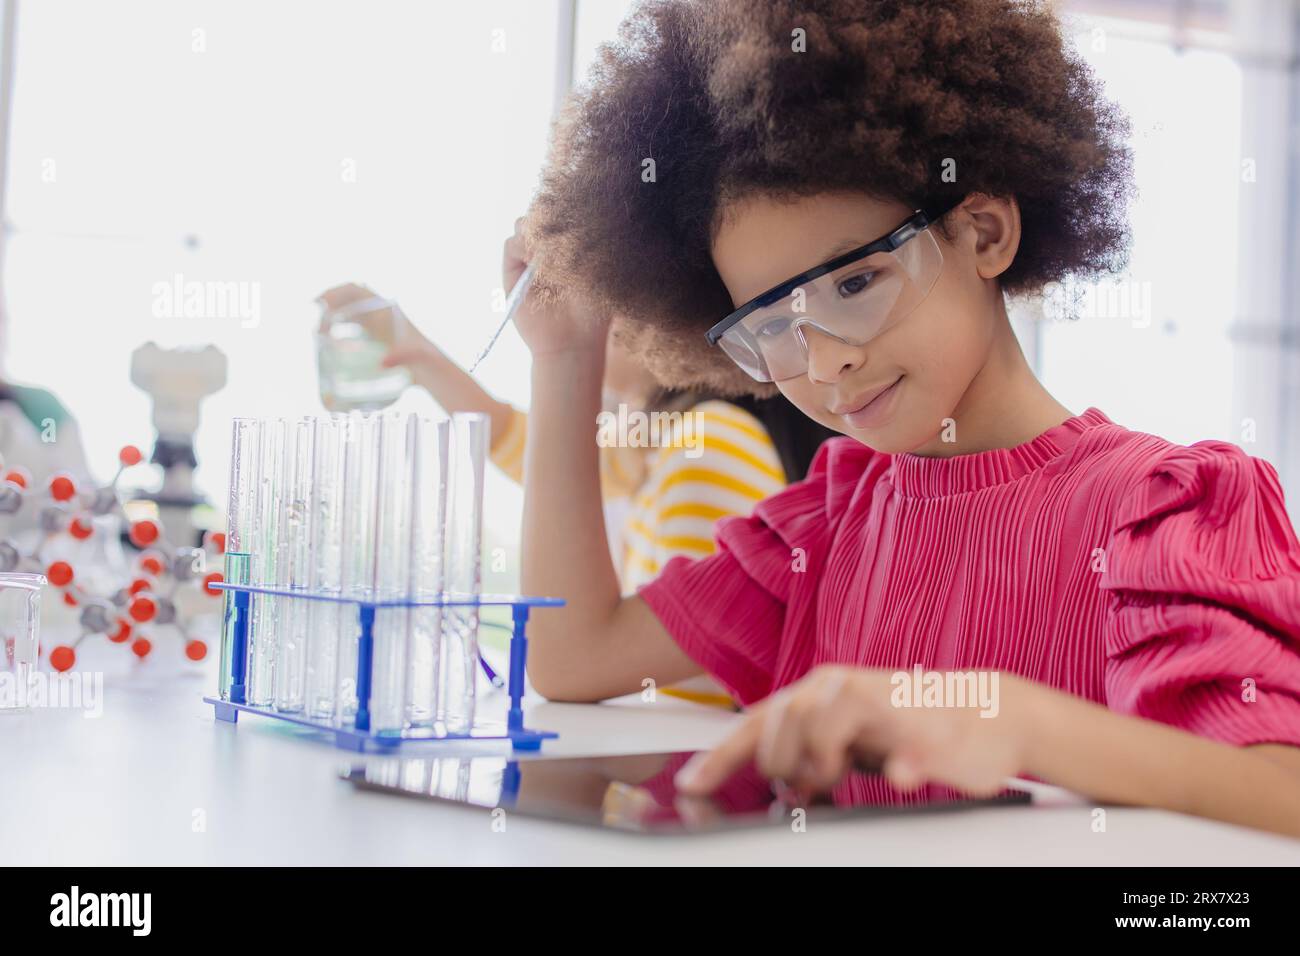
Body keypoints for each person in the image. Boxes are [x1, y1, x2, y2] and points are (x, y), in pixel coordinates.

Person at [502, 0, 1300, 836]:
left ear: (983, 232)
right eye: (772, 325)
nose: (824, 363)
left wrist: (1010, 719)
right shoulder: (831, 522)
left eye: (853, 285)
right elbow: (573, 655)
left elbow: (1282, 792)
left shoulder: (1161, 507)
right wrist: (564, 360)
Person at [314, 282, 836, 706]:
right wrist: (420, 355)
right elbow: (526, 447)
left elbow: (699, 678)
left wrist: (562, 355)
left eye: (606, 294)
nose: (593, 312)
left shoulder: (712, 440)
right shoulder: (658, 448)